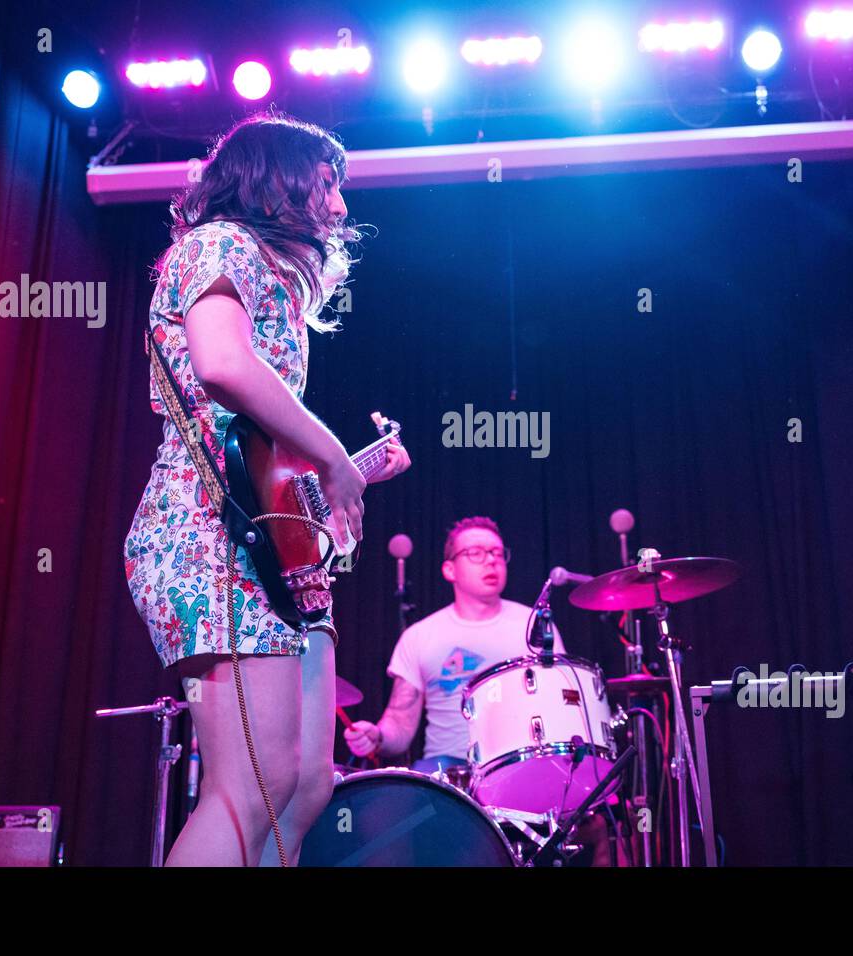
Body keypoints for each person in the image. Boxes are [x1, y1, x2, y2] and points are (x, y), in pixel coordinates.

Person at [123, 113, 410, 866]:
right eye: (326, 186)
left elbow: (257, 447)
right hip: (207, 534)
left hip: (266, 549)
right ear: (274, 180)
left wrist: (339, 475)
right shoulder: (220, 244)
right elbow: (221, 365)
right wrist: (335, 459)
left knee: (306, 783)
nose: (341, 209)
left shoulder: (265, 274)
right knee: (250, 787)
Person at [343, 516, 563, 773]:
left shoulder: (535, 625)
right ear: (449, 570)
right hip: (447, 773)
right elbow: (400, 722)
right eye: (475, 553)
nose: (491, 560)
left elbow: (559, 705)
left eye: (497, 553)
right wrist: (376, 736)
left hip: (522, 767)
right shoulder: (420, 636)